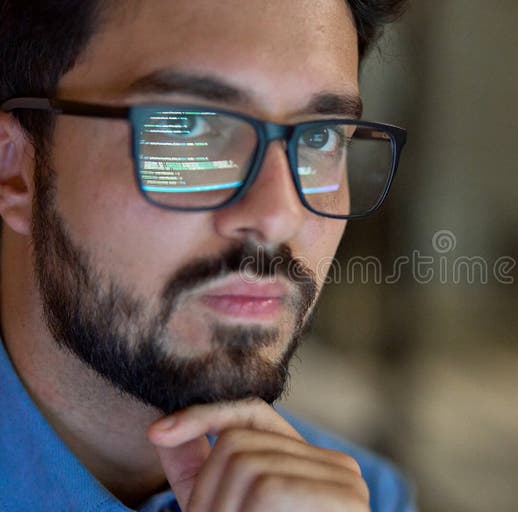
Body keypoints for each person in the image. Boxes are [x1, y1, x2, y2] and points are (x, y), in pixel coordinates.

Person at [0, 0, 413, 510]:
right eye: (187, 129)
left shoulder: (363, 498)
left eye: (321, 136)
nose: (278, 216)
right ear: (15, 170)